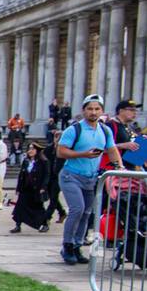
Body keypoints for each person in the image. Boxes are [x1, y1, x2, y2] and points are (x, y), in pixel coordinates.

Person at [57, 95, 123, 265]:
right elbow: (61, 152)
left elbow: (112, 149)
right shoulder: (74, 130)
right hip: (71, 175)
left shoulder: (104, 130)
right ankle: (68, 246)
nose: (93, 112)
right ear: (83, 110)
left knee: (87, 213)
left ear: (102, 111)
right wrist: (83, 154)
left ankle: (78, 245)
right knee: (77, 209)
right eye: (90, 109)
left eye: (97, 109)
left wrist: (120, 167)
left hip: (91, 178)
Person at [10, 142, 51, 234]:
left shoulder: (44, 161)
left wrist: (44, 186)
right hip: (25, 188)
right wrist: (18, 188)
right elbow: (22, 175)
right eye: (29, 149)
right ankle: (18, 225)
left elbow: (47, 175)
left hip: (36, 188)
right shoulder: (26, 161)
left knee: (38, 208)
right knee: (20, 207)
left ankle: (45, 224)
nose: (30, 151)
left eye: (32, 149)